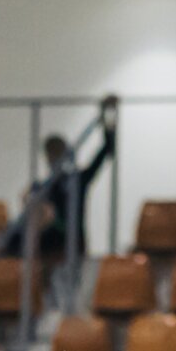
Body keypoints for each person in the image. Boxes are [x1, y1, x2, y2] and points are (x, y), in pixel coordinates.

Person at [33, 95, 119, 259]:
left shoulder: (78, 180)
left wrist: (108, 115)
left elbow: (107, 150)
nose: (53, 159)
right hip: (49, 242)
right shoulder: (44, 186)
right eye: (50, 155)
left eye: (56, 154)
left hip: (73, 241)